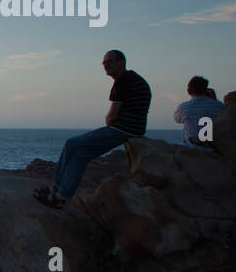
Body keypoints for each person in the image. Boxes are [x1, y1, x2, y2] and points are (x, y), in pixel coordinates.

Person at [34, 50, 151, 209]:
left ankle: (58, 189)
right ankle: (63, 193)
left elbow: (112, 115)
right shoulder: (136, 79)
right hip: (135, 130)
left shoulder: (123, 81)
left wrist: (110, 122)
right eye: (104, 63)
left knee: (71, 144)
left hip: (122, 129)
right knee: (81, 156)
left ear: (121, 61)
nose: (106, 65)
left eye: (109, 61)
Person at [174, 75, 225, 149]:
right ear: (206, 90)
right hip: (211, 149)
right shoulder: (218, 106)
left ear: (189, 91)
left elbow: (177, 120)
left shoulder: (183, 107)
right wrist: (214, 100)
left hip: (189, 149)